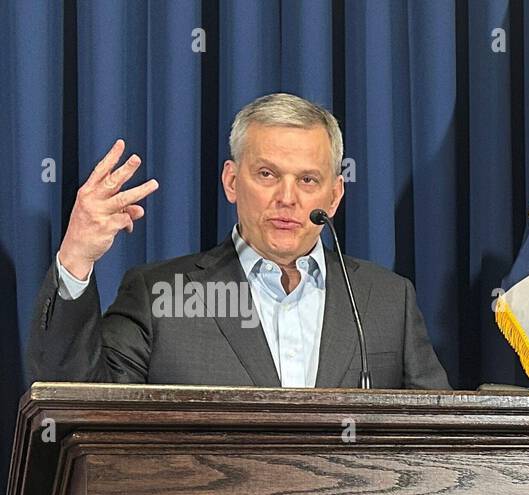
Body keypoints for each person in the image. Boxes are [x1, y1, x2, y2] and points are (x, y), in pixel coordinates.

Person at [26, 92, 450, 389]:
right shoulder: (160, 296)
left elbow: (438, 439)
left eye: (308, 180)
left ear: (335, 194)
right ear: (232, 181)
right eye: (267, 174)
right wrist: (77, 257)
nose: (287, 198)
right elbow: (77, 405)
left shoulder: (388, 300)